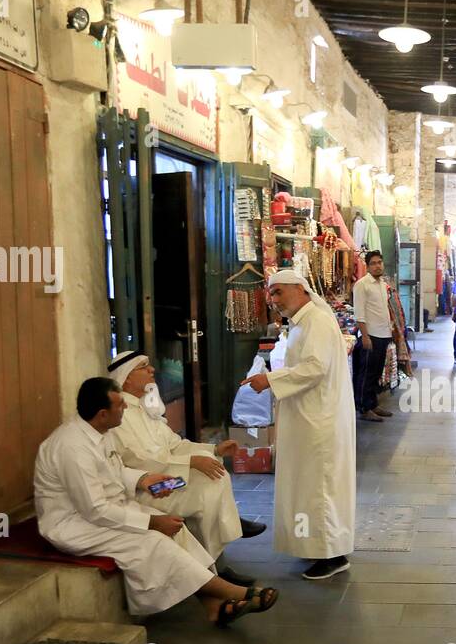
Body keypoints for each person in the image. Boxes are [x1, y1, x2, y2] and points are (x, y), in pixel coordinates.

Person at [34, 377, 278, 626]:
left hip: (108, 508)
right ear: (103, 414)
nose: (126, 407)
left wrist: (144, 479)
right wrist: (151, 522)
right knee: (154, 540)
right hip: (75, 524)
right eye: (120, 404)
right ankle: (233, 592)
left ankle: (213, 606)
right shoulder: (73, 448)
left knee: (176, 528)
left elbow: (114, 471)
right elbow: (94, 509)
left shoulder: (99, 431)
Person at [105, 350, 265, 586]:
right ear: (126, 377)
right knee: (206, 486)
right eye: (143, 367)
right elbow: (138, 461)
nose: (152, 370)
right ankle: (216, 564)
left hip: (169, 477)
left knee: (211, 471)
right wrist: (191, 462)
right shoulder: (121, 414)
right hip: (150, 487)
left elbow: (175, 444)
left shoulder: (144, 409)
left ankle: (216, 558)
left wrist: (214, 450)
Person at [241, 269, 356, 580]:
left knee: (320, 489)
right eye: (271, 294)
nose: (274, 300)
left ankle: (332, 555)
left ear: (300, 289)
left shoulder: (316, 320)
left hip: (319, 420)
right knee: (310, 487)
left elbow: (315, 367)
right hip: (309, 416)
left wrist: (270, 379)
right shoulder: (303, 322)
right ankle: (317, 546)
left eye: (278, 292)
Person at [351, 250, 394, 423]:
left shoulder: (382, 284)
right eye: (373, 263)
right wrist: (365, 336)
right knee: (366, 373)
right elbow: (359, 313)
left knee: (376, 372)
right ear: (367, 267)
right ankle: (363, 408)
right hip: (371, 335)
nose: (377, 266)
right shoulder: (362, 285)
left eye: (379, 262)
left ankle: (372, 404)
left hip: (383, 334)